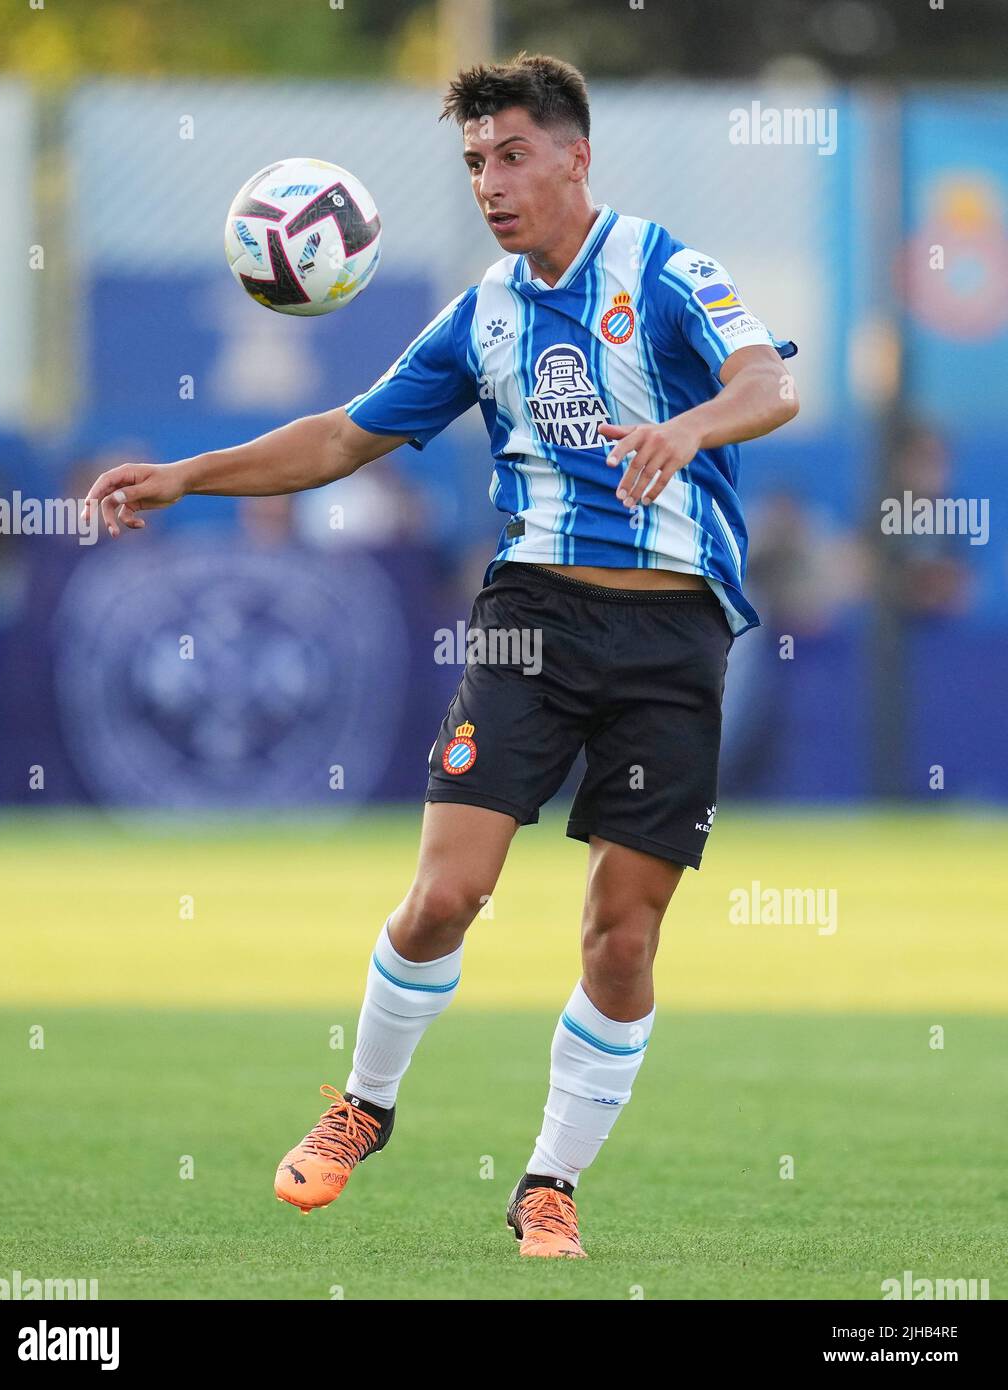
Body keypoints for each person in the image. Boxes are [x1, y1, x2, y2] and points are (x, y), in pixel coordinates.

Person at [83, 52, 799, 1259]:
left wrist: (683, 428)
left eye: (511, 155)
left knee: (621, 934)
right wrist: (187, 475)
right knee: (445, 892)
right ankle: (362, 1103)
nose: (490, 183)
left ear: (575, 156)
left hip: (674, 633)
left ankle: (547, 1182)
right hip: (530, 618)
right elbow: (338, 437)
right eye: (474, 163)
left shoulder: (665, 271)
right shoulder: (485, 314)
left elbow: (766, 381)